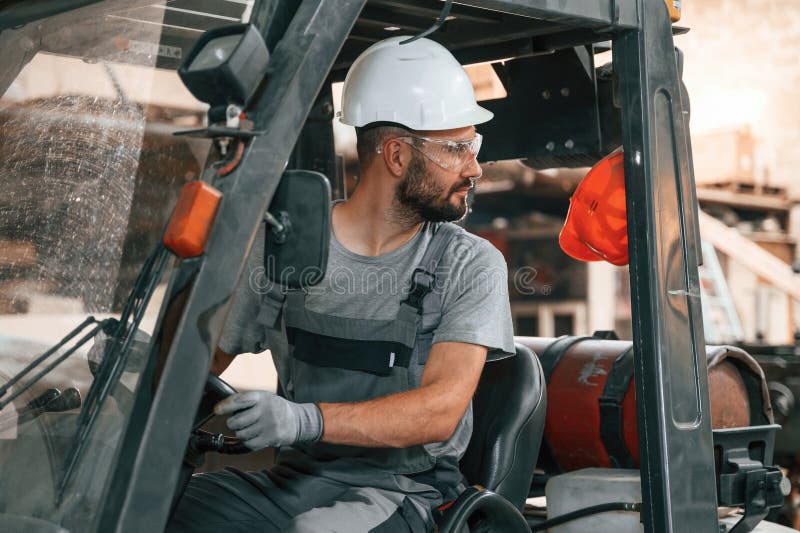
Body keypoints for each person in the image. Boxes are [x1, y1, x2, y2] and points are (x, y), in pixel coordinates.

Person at [168, 36, 514, 533]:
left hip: (406, 491)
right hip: (294, 477)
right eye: (458, 149)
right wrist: (143, 370)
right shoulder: (283, 247)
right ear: (397, 155)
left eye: (472, 147)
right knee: (162, 505)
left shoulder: (468, 263)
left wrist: (303, 420)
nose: (474, 168)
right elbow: (202, 357)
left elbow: (439, 410)